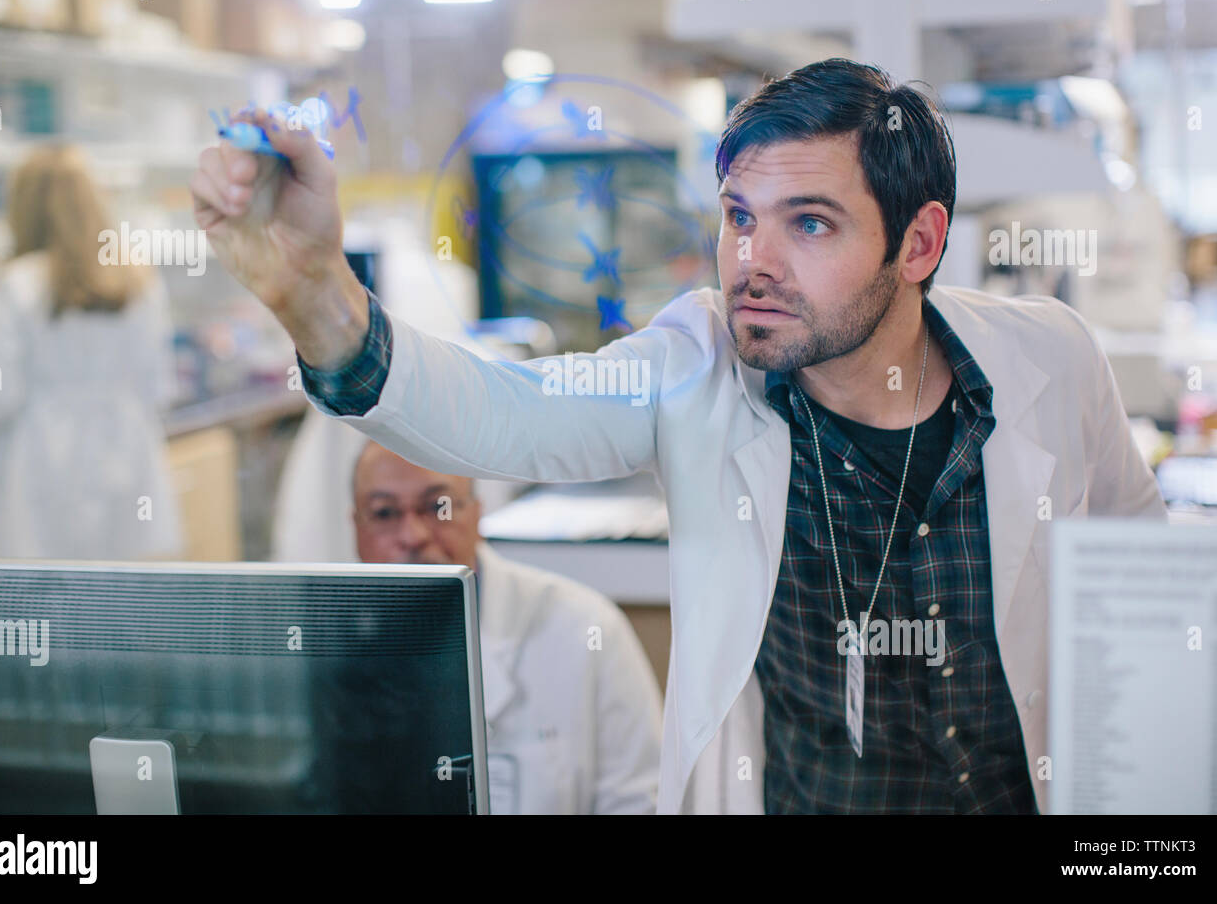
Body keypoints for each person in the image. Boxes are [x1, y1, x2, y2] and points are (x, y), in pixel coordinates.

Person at [190, 58, 1167, 815]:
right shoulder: (697, 363)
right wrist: (318, 295)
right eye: (739, 216)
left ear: (917, 243)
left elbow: (1141, 591)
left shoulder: (1049, 363)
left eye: (810, 224)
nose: (753, 259)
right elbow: (505, 411)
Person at [350, 441, 662, 814]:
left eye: (438, 507)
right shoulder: (328, 646)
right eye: (384, 513)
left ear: (477, 515)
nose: (413, 535)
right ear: (356, 528)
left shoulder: (587, 628)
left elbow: (640, 803)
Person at [0, 145, 182, 561]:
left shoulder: (19, 283)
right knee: (117, 607)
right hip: (126, 459)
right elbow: (161, 388)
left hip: (39, 472)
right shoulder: (139, 280)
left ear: (23, 208)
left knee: (40, 614)